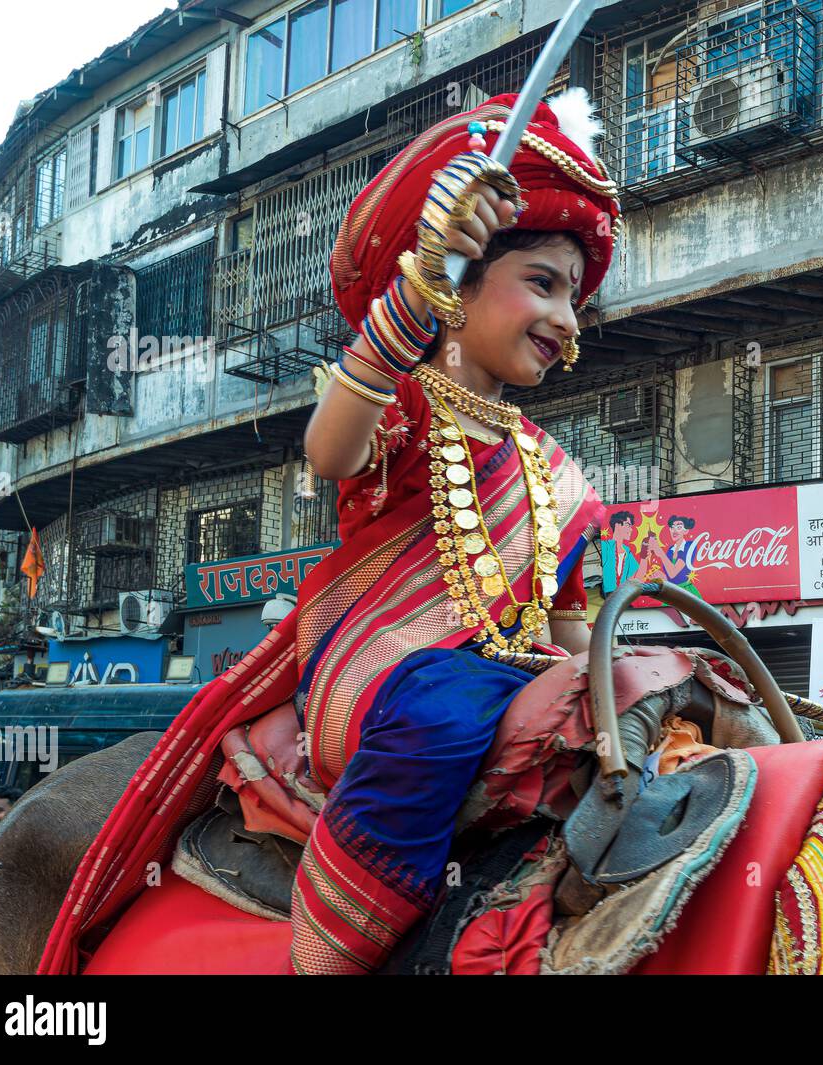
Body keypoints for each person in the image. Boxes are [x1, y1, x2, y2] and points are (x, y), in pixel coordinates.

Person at [39, 88, 623, 975]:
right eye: (540, 284)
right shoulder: (410, 402)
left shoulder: (555, 465)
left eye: (573, 297)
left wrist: (606, 694)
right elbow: (328, 449)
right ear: (456, 294)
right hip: (396, 679)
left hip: (519, 679)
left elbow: (571, 616)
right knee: (444, 707)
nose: (565, 320)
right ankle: (334, 951)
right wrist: (406, 310)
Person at [648, 515, 705, 599]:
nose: (674, 531)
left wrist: (660, 553)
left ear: (686, 531)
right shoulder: (671, 550)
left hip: (686, 592)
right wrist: (662, 577)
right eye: (672, 527)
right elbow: (671, 577)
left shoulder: (689, 546)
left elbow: (673, 573)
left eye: (679, 527)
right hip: (672, 591)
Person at [600, 510, 640, 594]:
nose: (631, 529)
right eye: (627, 525)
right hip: (609, 593)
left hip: (622, 595)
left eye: (631, 526)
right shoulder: (606, 546)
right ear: (617, 525)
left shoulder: (627, 551)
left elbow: (636, 574)